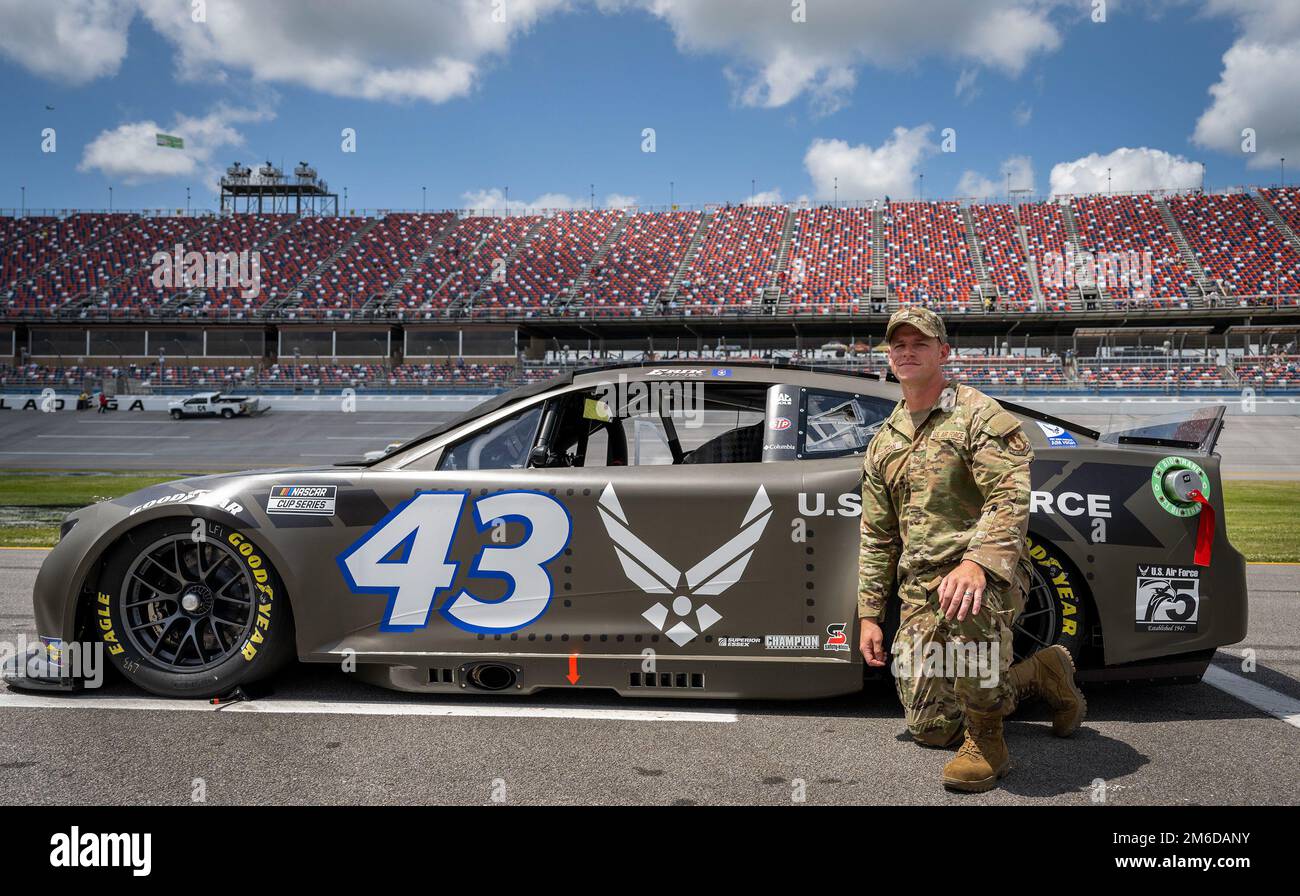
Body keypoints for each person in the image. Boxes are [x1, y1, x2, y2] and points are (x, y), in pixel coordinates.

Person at [858, 306, 1085, 792]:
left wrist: (977, 563)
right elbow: (878, 534)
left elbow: (1010, 494)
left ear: (943, 351)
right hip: (922, 590)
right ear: (889, 357)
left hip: (985, 576)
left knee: (967, 608)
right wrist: (870, 614)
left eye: (920, 343)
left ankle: (988, 742)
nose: (907, 352)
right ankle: (1042, 672)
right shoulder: (884, 441)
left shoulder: (979, 415)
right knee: (931, 729)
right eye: (899, 345)